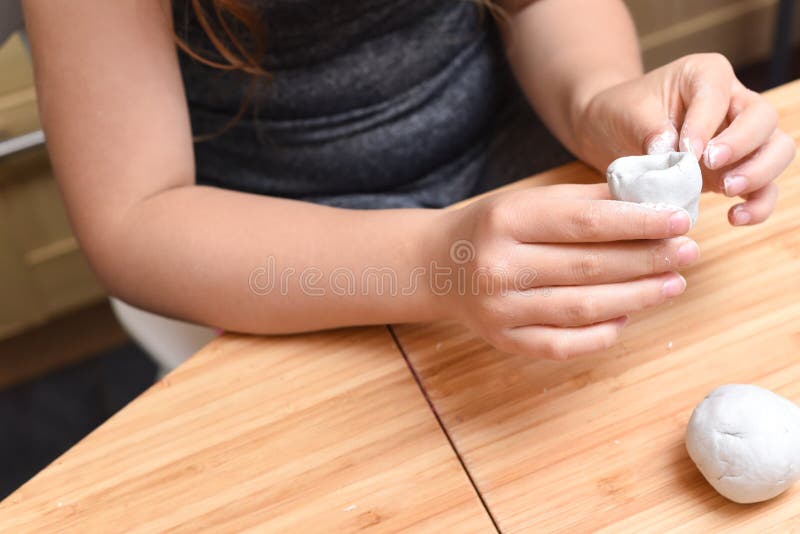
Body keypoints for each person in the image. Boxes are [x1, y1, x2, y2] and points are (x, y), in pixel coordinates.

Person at [22, 0, 794, 360]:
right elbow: (135, 219)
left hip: (511, 172)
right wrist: (434, 262)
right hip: (284, 266)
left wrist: (598, 101)